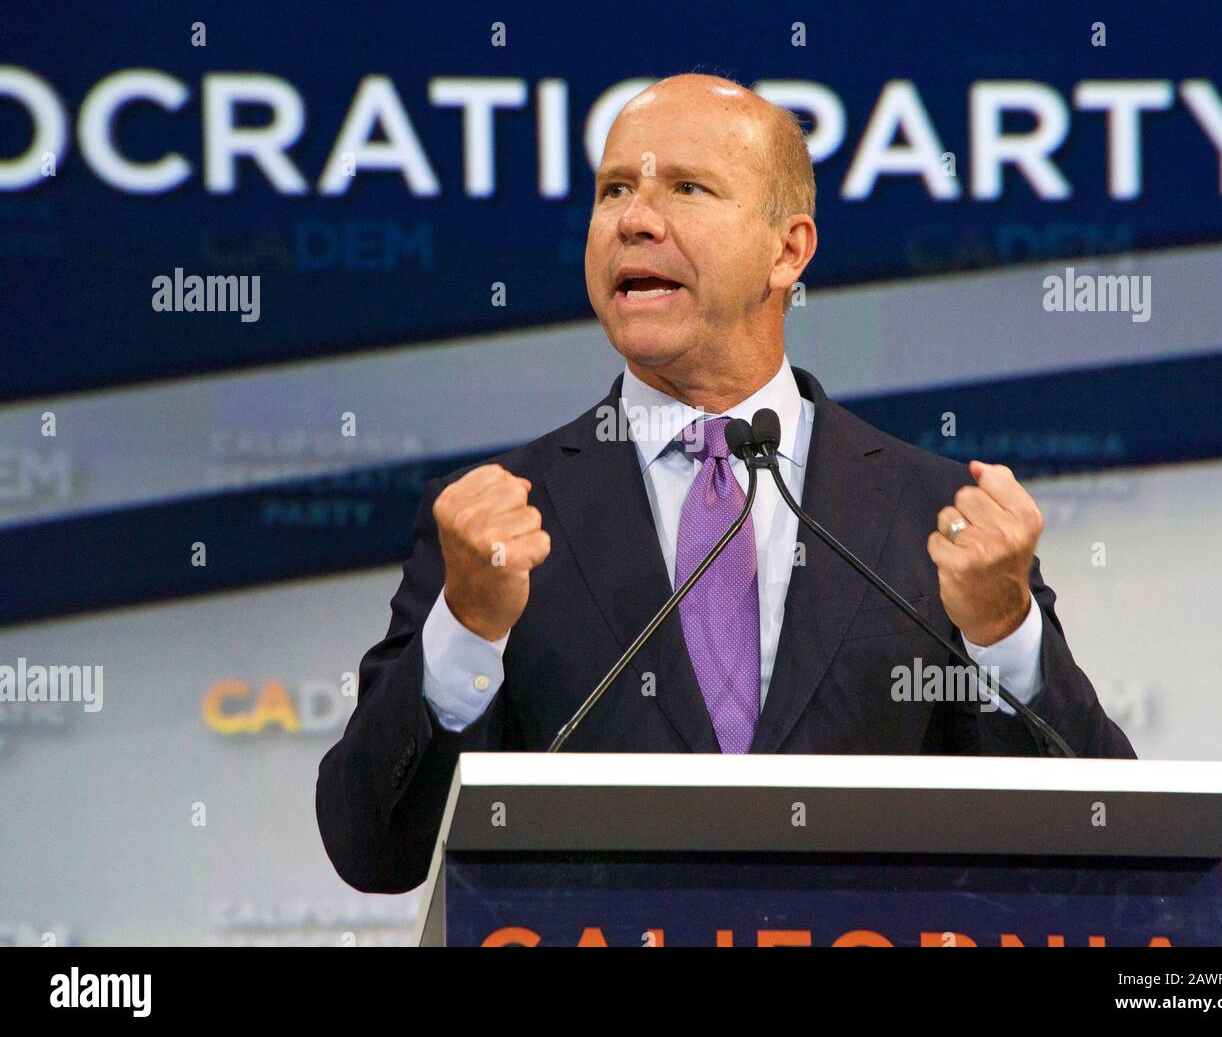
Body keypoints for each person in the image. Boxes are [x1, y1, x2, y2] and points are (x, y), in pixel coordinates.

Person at [316, 74, 1134, 894]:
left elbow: (1109, 850)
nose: (635, 219)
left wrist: (1002, 632)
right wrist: (466, 629)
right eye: (614, 191)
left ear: (788, 250)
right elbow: (373, 852)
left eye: (687, 187)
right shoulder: (496, 523)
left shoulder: (936, 516)